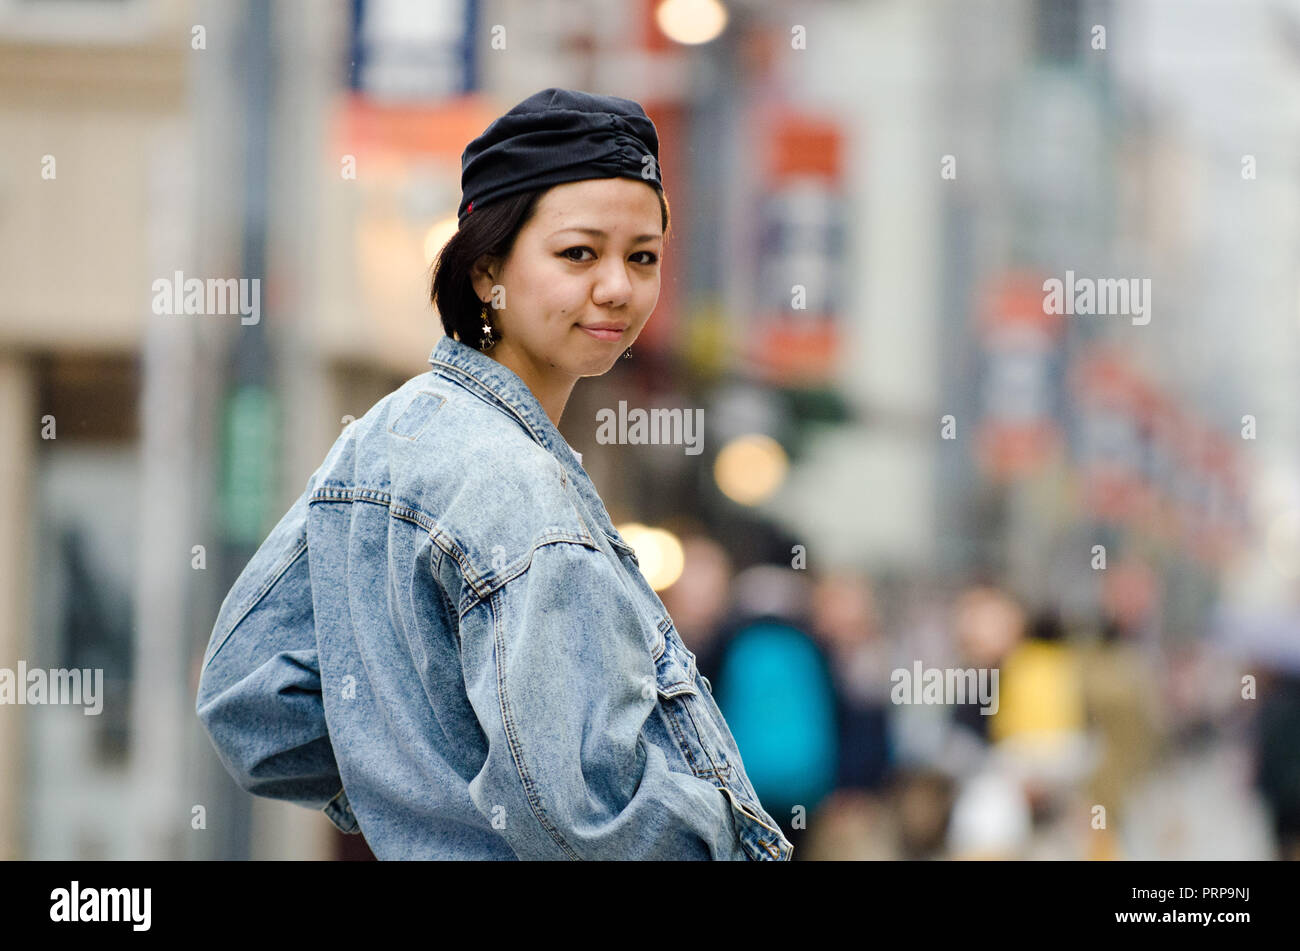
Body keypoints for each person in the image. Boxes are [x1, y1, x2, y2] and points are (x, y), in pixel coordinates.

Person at [195, 88, 792, 861]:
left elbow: (251, 702)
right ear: (486, 271)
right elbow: (591, 819)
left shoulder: (381, 436)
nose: (616, 285)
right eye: (579, 253)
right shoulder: (517, 487)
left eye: (642, 256)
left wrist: (421, 797)